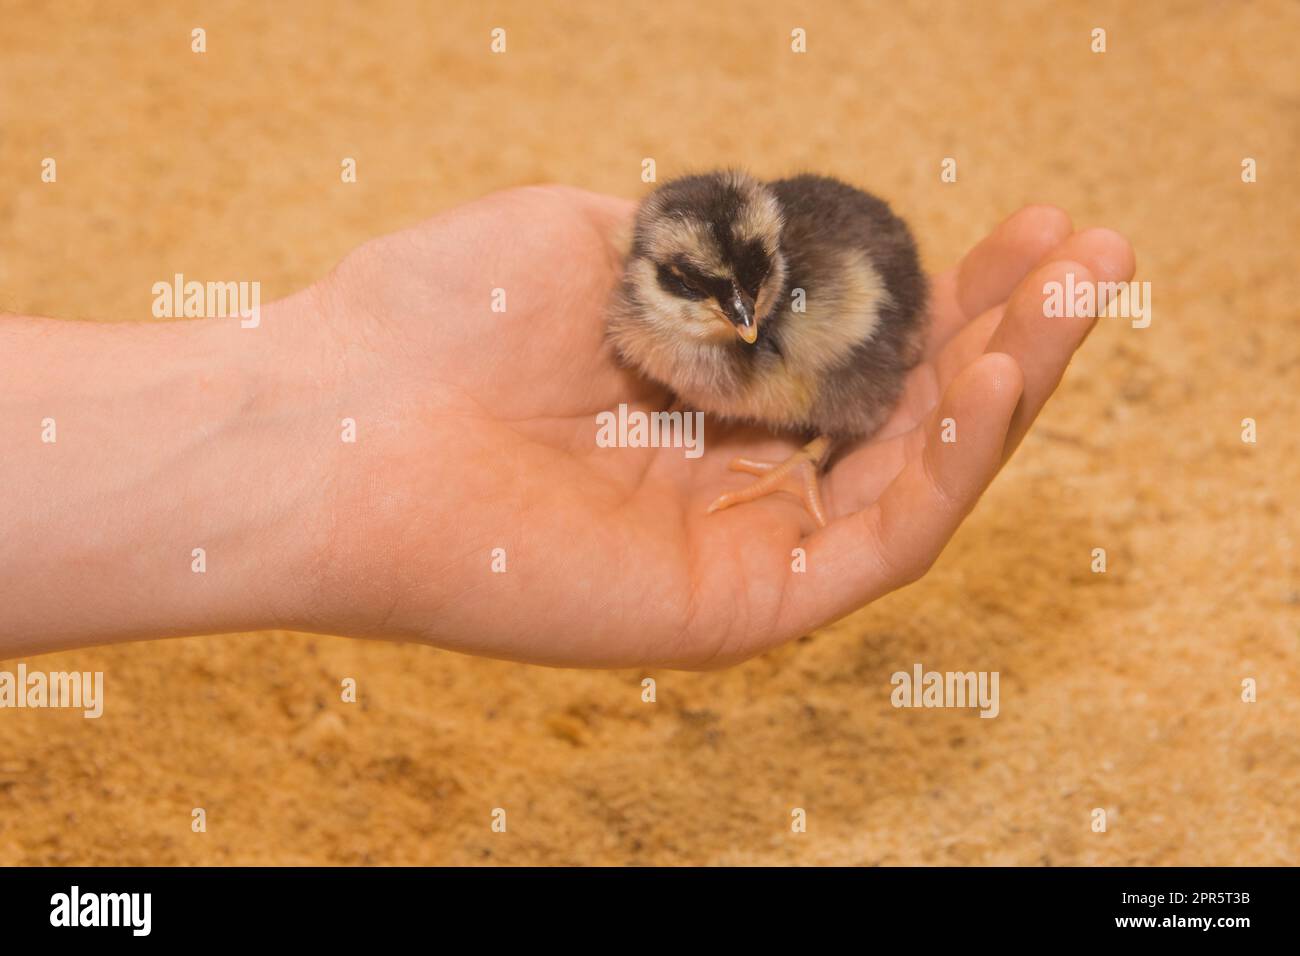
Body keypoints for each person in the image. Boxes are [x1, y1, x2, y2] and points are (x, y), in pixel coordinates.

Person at [0, 186, 1134, 668]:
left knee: (830, 370)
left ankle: (809, 442)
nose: (745, 321)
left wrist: (811, 445)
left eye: (756, 294)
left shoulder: (795, 310)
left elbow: (846, 328)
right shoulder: (638, 322)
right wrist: (349, 380)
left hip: (815, 356)